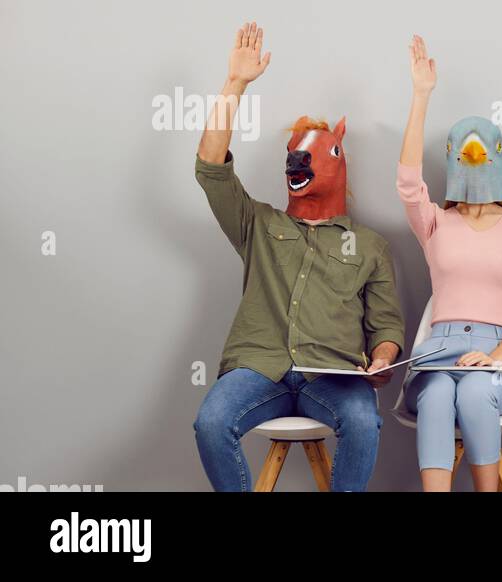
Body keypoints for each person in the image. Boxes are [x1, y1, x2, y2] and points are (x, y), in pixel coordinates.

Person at [193, 23, 404, 492]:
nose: (298, 165)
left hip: (332, 373)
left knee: (364, 424)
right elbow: (210, 168)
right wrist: (236, 84)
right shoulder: (259, 224)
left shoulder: (370, 246)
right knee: (211, 423)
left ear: (337, 158)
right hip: (258, 368)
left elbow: (386, 327)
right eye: (293, 156)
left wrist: (383, 357)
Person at [397, 36, 502, 492]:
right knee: (440, 394)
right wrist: (421, 95)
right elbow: (408, 183)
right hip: (439, 351)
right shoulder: (436, 223)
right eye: (464, 148)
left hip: (501, 357)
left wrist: (497, 356)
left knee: (478, 390)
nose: (475, 155)